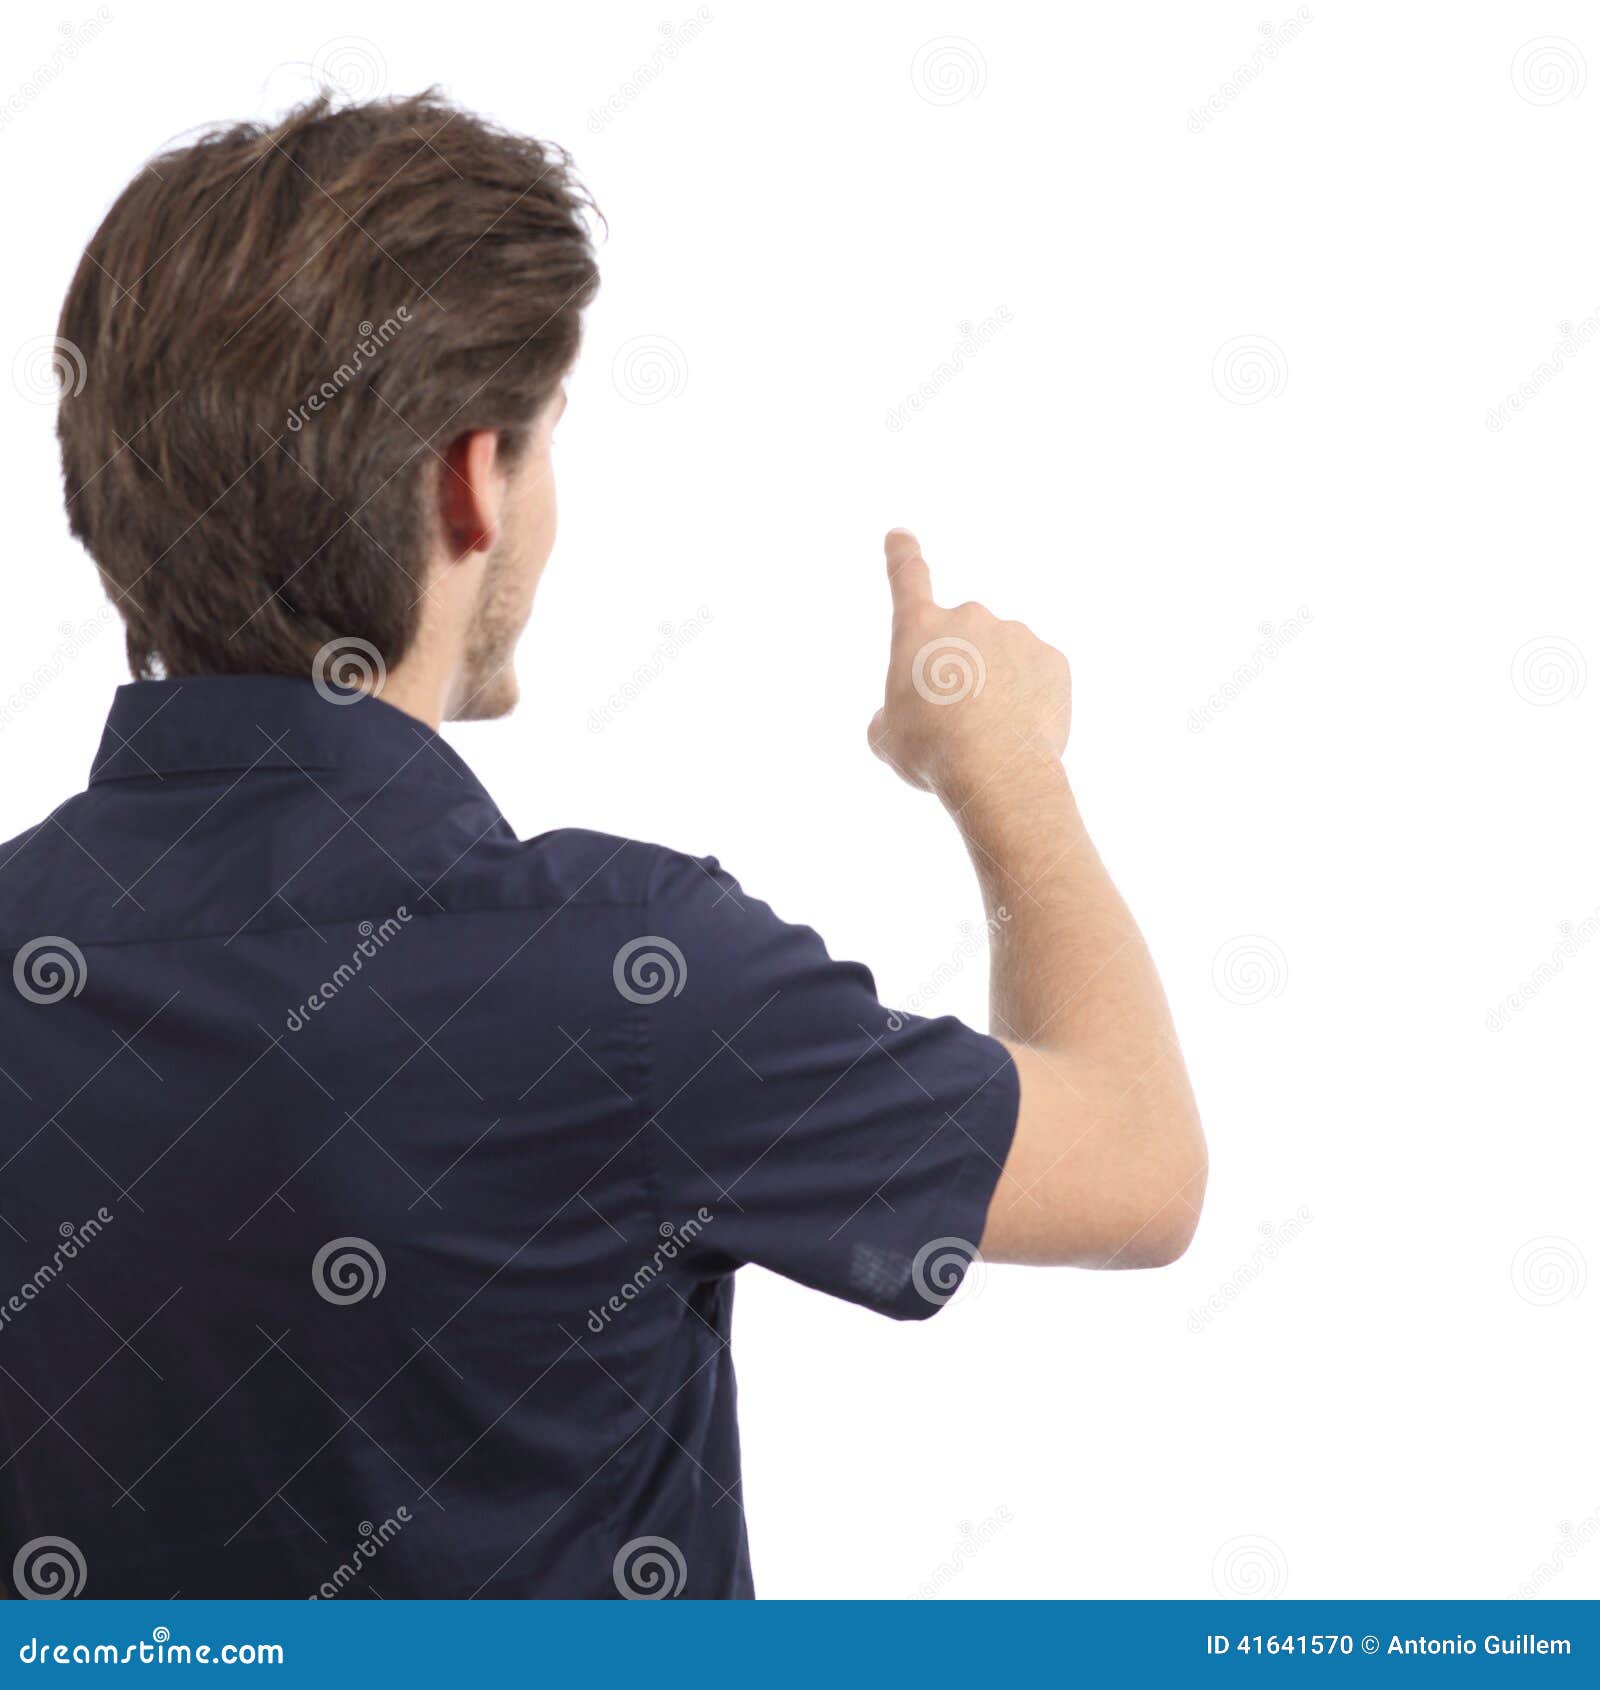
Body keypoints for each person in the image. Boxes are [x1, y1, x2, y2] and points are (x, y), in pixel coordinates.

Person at [0, 92, 1205, 1600]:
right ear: (470, 479)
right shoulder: (626, 980)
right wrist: (1002, 764)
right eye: (547, 442)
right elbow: (1141, 1163)